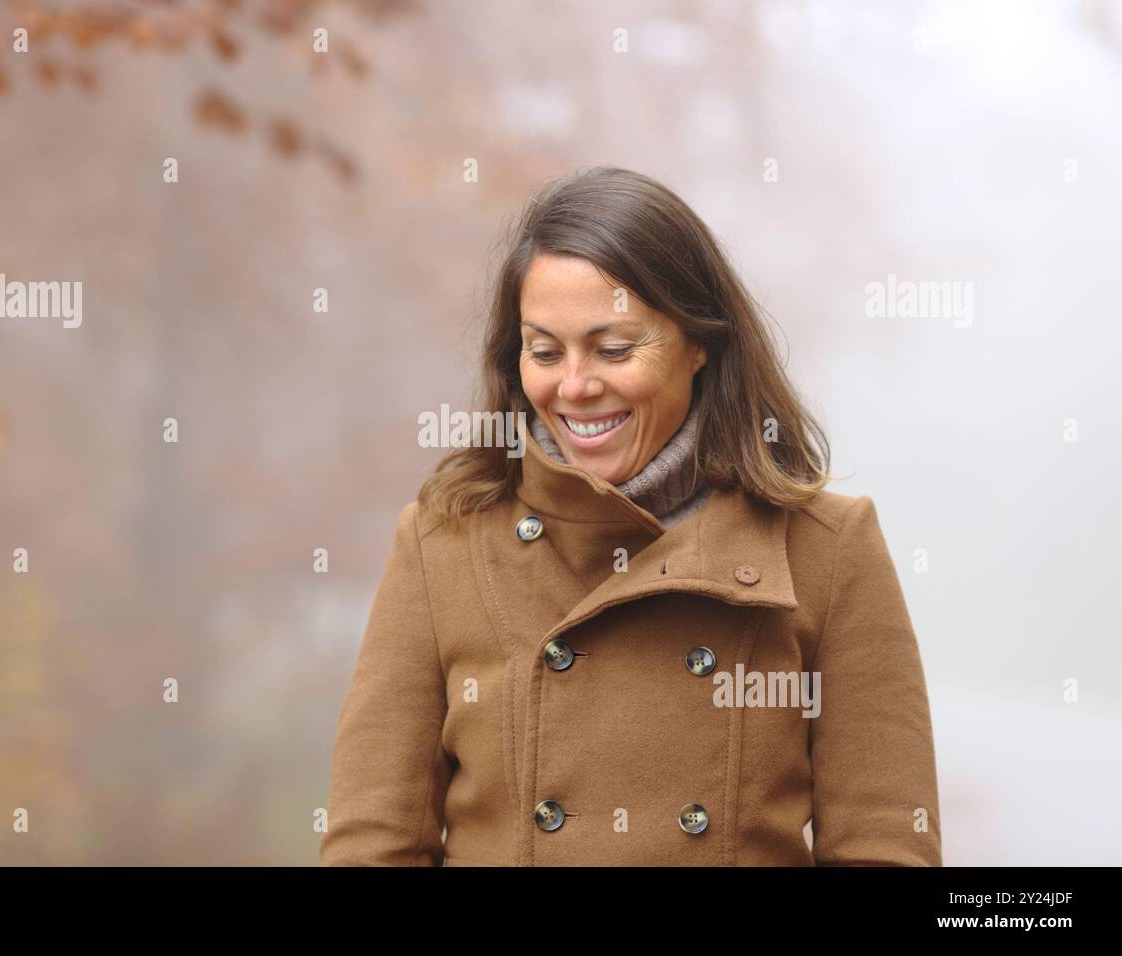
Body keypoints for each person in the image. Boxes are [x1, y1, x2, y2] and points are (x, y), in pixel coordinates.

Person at [319, 166, 942, 866]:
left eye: (614, 349)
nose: (575, 386)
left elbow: (884, 847)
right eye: (544, 351)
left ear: (700, 342)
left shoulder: (827, 548)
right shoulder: (442, 542)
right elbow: (372, 847)